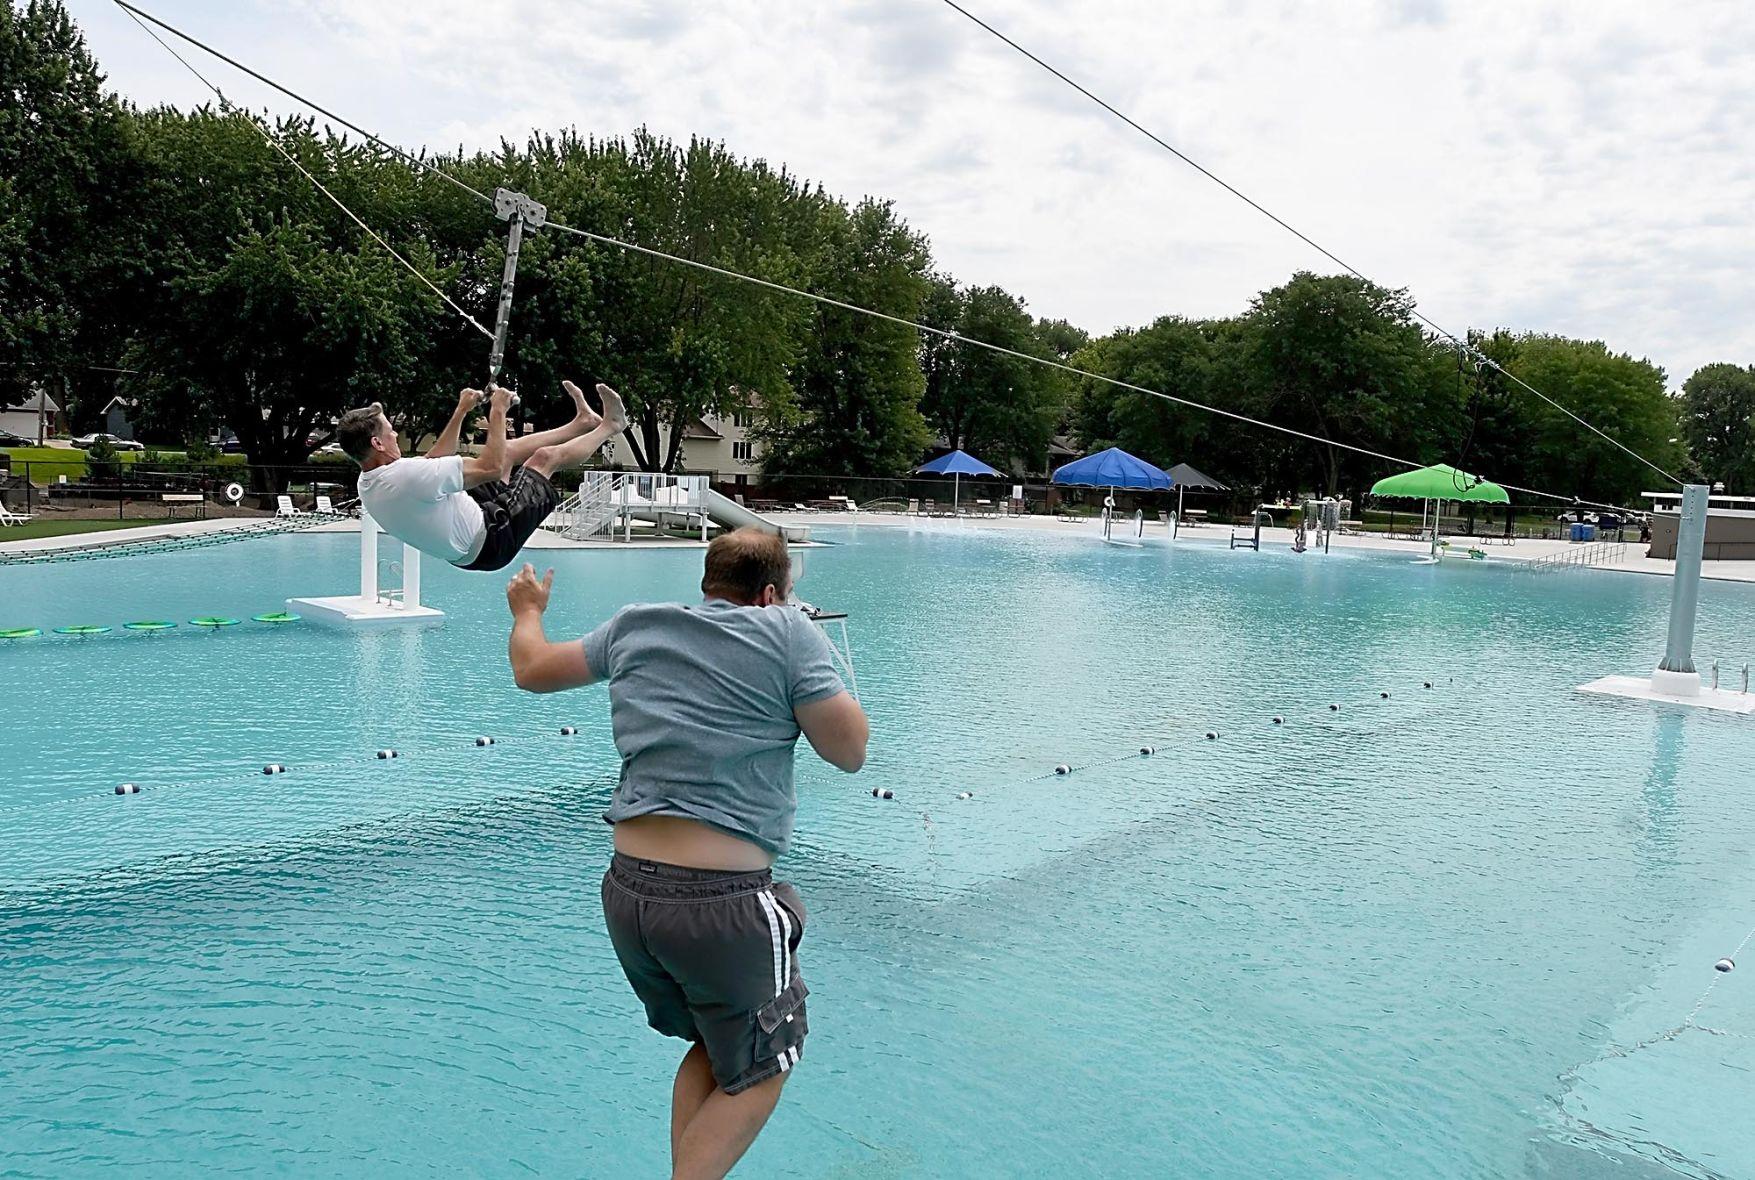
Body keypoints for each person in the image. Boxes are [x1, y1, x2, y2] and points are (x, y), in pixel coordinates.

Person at [504, 528, 870, 1180]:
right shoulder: (787, 632)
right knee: (768, 1062)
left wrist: (528, 611)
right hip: (720, 904)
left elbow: (532, 671)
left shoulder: (635, 626)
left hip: (629, 897)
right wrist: (803, 642)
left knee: (718, 1045)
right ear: (769, 593)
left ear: (708, 584)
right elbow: (848, 753)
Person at [335, 379, 627, 572]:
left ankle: (582, 423)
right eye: (390, 430)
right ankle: (610, 426)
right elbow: (488, 468)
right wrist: (498, 411)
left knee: (508, 451)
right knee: (544, 459)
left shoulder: (370, 480)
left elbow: (434, 461)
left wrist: (462, 410)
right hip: (490, 541)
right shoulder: (405, 476)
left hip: (470, 531)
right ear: (377, 444)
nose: (396, 432)